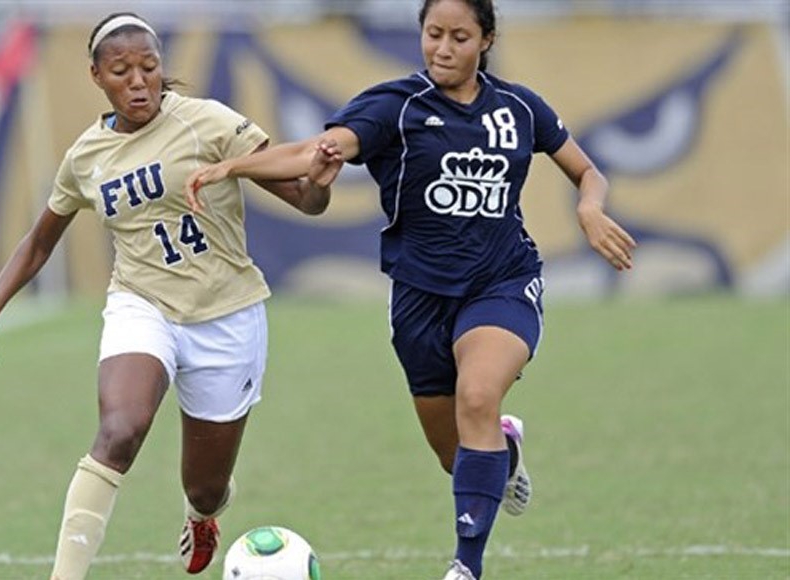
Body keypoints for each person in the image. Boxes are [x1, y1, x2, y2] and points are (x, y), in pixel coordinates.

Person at [185, 1, 636, 578]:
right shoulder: (393, 106)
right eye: (433, 34)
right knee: (458, 458)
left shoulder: (520, 108)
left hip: (502, 282)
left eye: (459, 36)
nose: (443, 48)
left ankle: (464, 567)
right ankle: (507, 451)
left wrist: (591, 207)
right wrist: (233, 168)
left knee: (477, 396)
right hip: (419, 300)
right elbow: (315, 152)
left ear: (486, 40)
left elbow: (586, 171)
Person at [0, 12, 340, 580]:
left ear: (163, 68)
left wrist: (320, 186)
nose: (138, 81)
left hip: (227, 314)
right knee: (119, 432)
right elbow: (39, 243)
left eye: (149, 67)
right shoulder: (85, 157)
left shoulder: (208, 123)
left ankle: (202, 516)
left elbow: (304, 200)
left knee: (206, 486)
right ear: (97, 77)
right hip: (142, 306)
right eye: (121, 70)